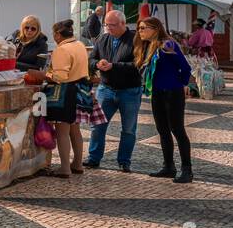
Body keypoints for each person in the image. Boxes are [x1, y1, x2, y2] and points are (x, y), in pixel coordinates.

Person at [136, 17, 194, 183]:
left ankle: (187, 170)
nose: (140, 31)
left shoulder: (167, 44)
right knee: (162, 130)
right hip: (157, 93)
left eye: (143, 28)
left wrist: (182, 84)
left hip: (172, 92)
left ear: (155, 29)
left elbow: (185, 67)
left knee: (177, 129)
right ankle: (168, 166)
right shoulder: (148, 46)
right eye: (139, 28)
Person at [83, 10, 140, 173]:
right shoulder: (103, 38)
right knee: (97, 126)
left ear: (123, 24)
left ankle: (124, 161)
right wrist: (97, 64)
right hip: (106, 89)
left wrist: (114, 66)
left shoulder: (135, 39)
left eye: (112, 25)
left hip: (129, 90)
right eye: (106, 25)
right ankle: (94, 159)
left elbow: (138, 64)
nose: (108, 28)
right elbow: (91, 59)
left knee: (128, 129)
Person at [43, 19, 88, 177]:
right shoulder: (80, 45)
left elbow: (60, 77)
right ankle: (77, 163)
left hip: (67, 92)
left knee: (62, 131)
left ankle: (64, 168)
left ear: (57, 35)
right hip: (82, 90)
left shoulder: (61, 50)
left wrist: (44, 74)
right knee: (75, 131)